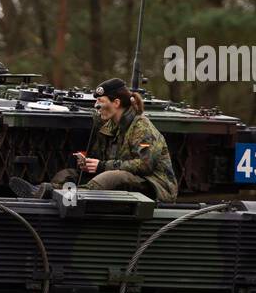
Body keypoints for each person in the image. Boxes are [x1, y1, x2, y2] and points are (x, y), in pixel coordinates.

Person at [9, 77, 178, 202]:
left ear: (116, 103)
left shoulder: (142, 127)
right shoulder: (110, 127)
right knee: (67, 174)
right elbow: (104, 159)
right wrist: (89, 163)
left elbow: (144, 165)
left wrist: (103, 166)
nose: (97, 106)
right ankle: (43, 191)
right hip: (124, 178)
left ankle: (69, 198)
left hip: (153, 186)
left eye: (101, 101)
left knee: (110, 178)